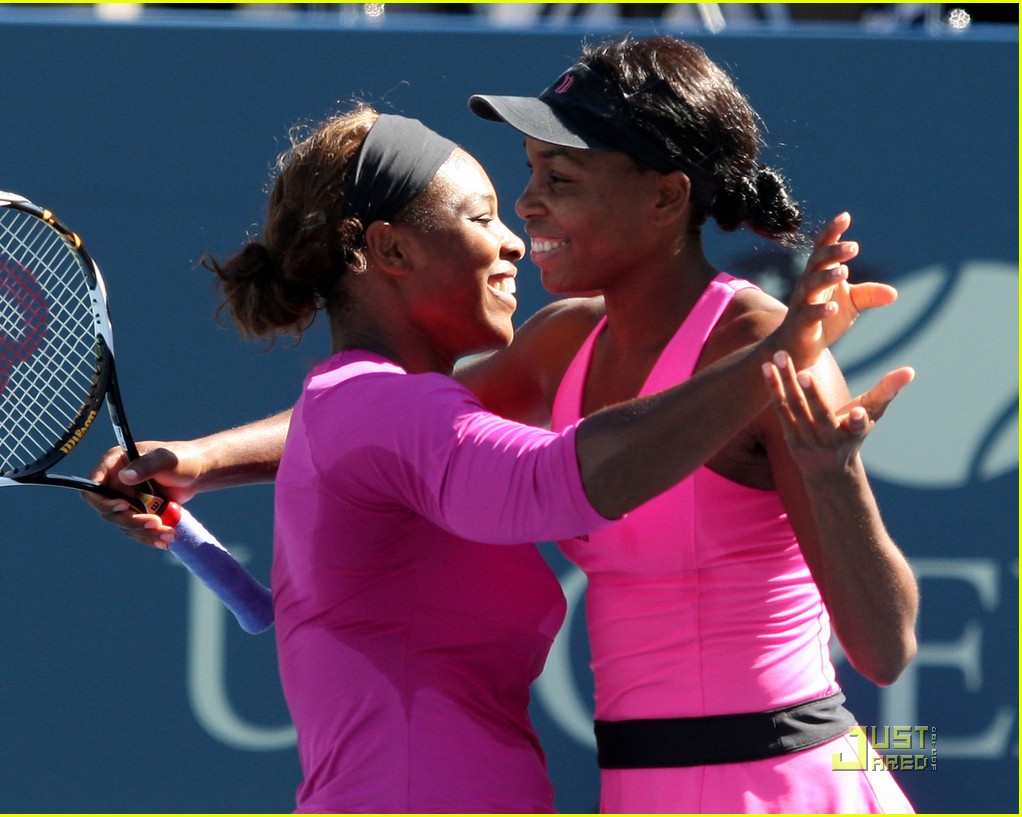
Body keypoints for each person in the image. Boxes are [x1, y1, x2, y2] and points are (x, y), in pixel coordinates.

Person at [83, 104, 905, 813]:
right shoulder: (390, 408)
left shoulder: (360, 403)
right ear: (393, 252)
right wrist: (776, 355)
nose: (515, 238)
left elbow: (366, 429)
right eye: (481, 218)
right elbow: (557, 480)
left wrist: (199, 457)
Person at [459, 35, 918, 812]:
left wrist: (831, 473)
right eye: (531, 170)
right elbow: (379, 423)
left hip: (794, 788)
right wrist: (201, 461)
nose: (528, 202)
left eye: (560, 176)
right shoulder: (562, 341)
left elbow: (885, 647)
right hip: (640, 789)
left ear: (667, 198)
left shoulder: (770, 355)